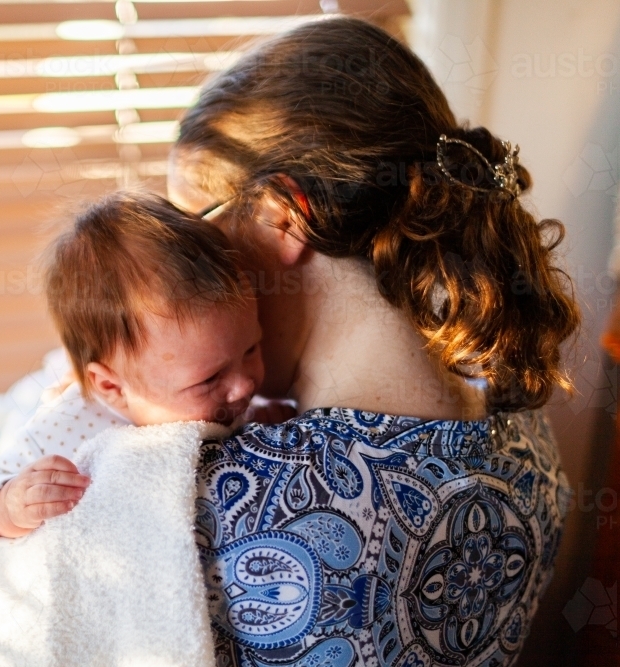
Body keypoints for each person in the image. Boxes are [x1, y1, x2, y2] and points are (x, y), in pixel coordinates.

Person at [168, 16, 579, 667]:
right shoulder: (530, 441)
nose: (182, 272)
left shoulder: (222, 503)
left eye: (197, 234)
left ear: (283, 217)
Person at [0, 191, 266, 538]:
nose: (244, 384)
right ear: (112, 387)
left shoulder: (222, 391)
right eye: (210, 378)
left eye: (252, 349)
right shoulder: (67, 429)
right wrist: (10, 507)